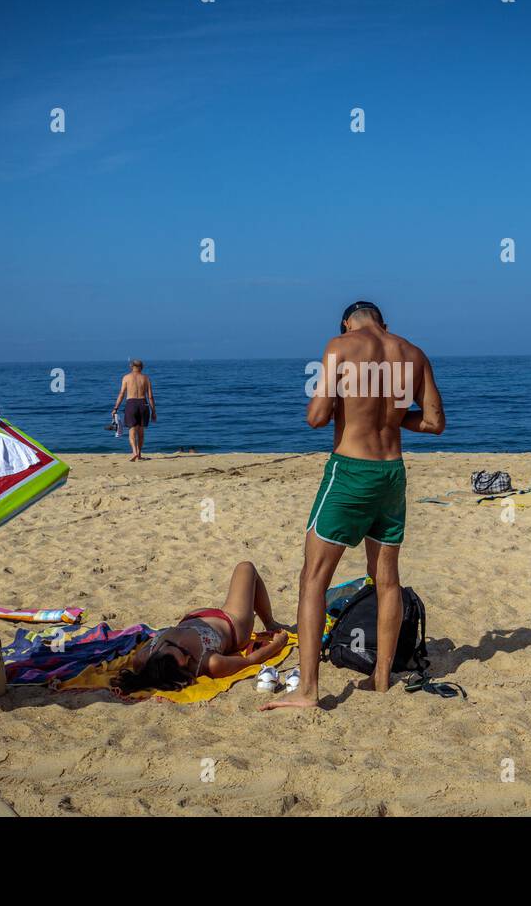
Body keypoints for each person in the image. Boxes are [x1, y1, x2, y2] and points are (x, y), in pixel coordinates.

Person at [261, 300, 444, 711]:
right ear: (383, 323)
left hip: (350, 472)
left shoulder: (339, 346)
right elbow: (434, 422)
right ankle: (380, 679)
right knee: (386, 580)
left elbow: (316, 417)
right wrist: (393, 418)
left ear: (347, 324)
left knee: (313, 579)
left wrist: (349, 406)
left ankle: (307, 690)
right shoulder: (413, 354)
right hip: (392, 474)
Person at [111, 561, 290, 693]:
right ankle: (270, 622)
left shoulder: (144, 658)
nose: (183, 645)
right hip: (232, 623)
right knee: (246, 568)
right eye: (187, 654)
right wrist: (278, 644)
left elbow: (140, 674)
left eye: (171, 644)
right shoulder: (210, 662)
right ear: (188, 664)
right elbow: (249, 661)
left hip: (197, 619)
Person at [111, 359, 157, 461]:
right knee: (141, 433)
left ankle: (134, 452)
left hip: (131, 404)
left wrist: (115, 408)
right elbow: (150, 397)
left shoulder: (126, 377)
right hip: (143, 404)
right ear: (142, 367)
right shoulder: (146, 378)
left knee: (132, 431)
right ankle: (139, 454)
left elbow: (121, 394)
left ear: (131, 366)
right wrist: (153, 411)